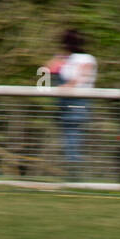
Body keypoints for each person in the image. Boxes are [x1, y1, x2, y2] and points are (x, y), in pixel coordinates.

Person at [47, 29, 97, 179]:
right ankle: (72, 173)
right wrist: (53, 63)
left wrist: (66, 86)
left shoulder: (86, 59)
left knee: (73, 138)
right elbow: (41, 78)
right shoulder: (66, 61)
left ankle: (75, 174)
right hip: (64, 104)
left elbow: (83, 77)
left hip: (78, 103)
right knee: (69, 139)